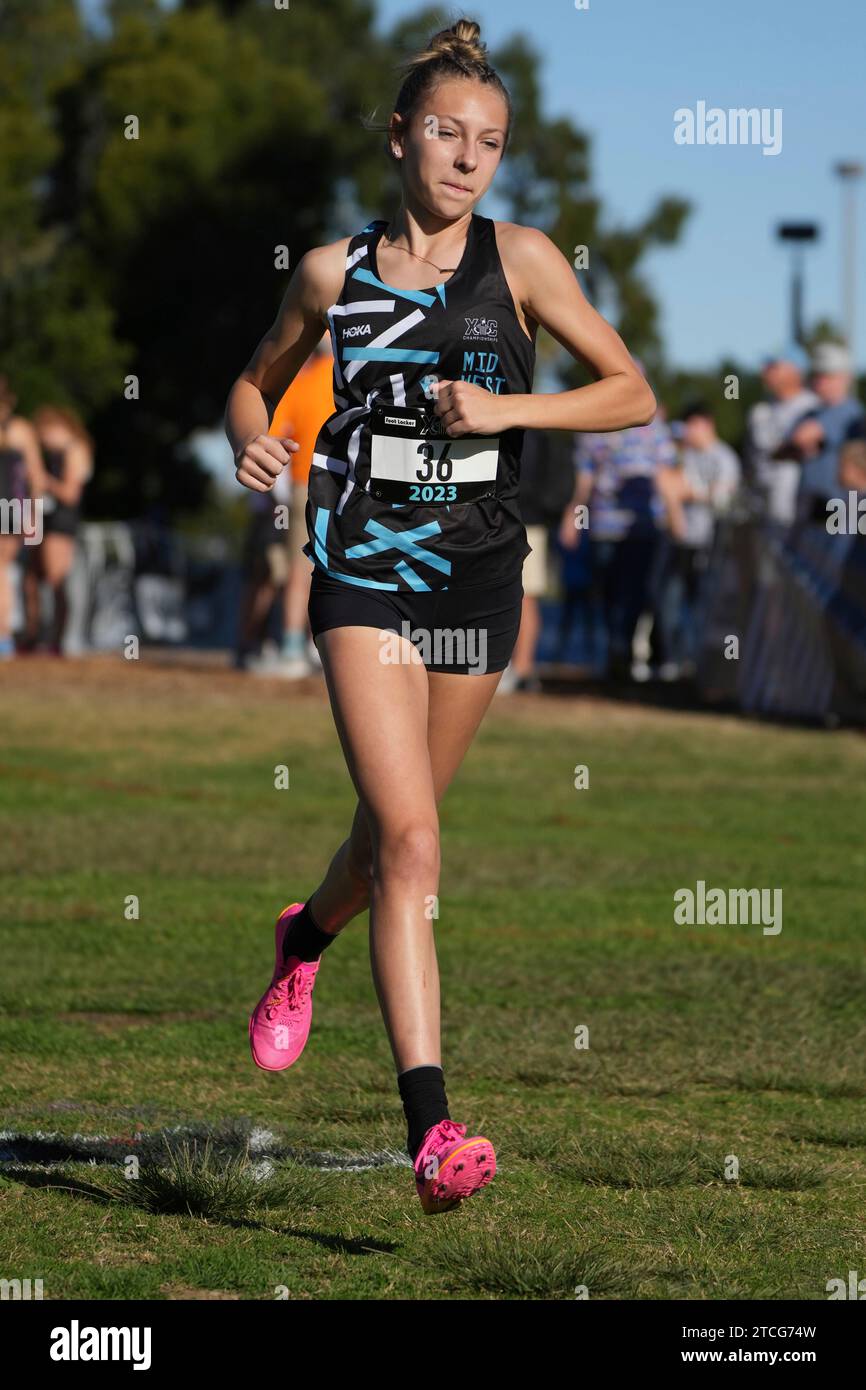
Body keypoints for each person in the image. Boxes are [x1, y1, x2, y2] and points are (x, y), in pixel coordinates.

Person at [224, 17, 654, 1214]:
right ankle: (433, 1132)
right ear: (403, 134)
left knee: (384, 842)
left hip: (476, 586)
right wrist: (255, 441)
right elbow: (253, 380)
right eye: (449, 134)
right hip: (361, 570)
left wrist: (512, 413)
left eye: (491, 143)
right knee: (412, 846)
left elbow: (631, 391)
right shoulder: (329, 271)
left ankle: (302, 938)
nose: (469, 158)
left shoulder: (521, 262)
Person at [560, 363, 674, 680]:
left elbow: (667, 476)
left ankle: (624, 649)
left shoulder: (655, 428)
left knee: (637, 592)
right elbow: (585, 477)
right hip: (604, 525)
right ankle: (615, 649)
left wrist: (675, 518)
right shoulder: (594, 425)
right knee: (607, 590)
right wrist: (572, 515)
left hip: (644, 527)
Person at [261, 332, 335, 677]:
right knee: (340, 568)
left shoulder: (299, 384)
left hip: (305, 483)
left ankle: (293, 647)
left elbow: (273, 434)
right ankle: (321, 646)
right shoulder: (355, 377)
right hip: (353, 484)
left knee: (299, 567)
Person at [653, 402, 740, 678]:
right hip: (681, 540)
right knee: (669, 601)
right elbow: (671, 488)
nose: (687, 433)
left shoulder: (723, 458)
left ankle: (699, 664)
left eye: (690, 426)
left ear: (704, 425)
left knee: (701, 604)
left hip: (709, 543)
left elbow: (724, 500)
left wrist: (686, 493)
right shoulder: (687, 456)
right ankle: (674, 660)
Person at [497, 427, 574, 693]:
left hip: (526, 523)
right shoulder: (530, 430)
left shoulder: (534, 433)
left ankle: (523, 669)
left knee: (525, 598)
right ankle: (514, 669)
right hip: (509, 522)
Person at [786, 343, 865, 525]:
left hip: (840, 511)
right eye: (818, 375)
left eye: (828, 376)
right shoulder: (810, 413)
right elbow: (784, 447)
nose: (821, 382)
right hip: (810, 508)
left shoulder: (850, 413)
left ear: (846, 377)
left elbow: (802, 437)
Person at [742, 344, 819, 527]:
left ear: (795, 370)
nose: (765, 371)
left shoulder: (812, 408)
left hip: (796, 515)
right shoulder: (763, 409)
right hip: (760, 509)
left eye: (773, 366)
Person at [0, 377, 46, 660]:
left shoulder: (19, 430)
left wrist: (32, 513)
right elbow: (37, 477)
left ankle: (4, 636)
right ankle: (4, 637)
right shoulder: (22, 430)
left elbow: (36, 477)